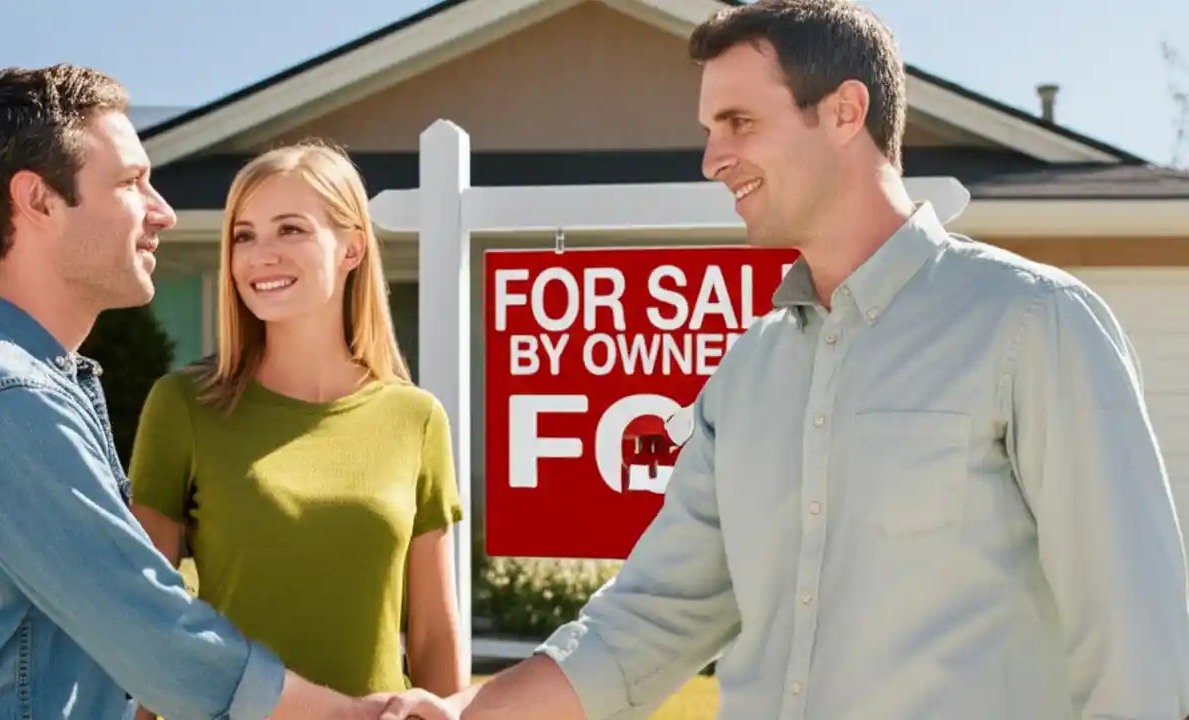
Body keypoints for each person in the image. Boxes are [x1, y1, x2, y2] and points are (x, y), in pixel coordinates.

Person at [384, 1, 1189, 719]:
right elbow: (643, 622)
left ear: (844, 111)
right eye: (710, 129)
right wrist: (463, 716)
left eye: (739, 123)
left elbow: (1136, 641)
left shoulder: (1033, 324)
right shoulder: (746, 377)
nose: (712, 158)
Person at [0, 64, 455, 720]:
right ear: (39, 200)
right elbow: (153, 638)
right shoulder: (2, 401)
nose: (163, 211)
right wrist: (359, 715)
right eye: (130, 182)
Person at [126, 140, 467, 720]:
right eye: (244, 236)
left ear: (352, 247)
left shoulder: (417, 419)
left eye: (290, 230)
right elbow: (146, 618)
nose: (261, 256)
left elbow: (434, 633)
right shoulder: (183, 406)